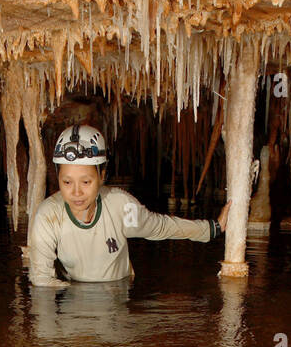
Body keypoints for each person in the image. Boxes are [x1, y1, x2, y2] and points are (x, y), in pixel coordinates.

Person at [28, 123, 231, 287]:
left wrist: (211, 228)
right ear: (57, 178)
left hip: (120, 293)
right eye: (67, 182)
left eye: (86, 182)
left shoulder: (120, 206)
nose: (76, 192)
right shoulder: (48, 215)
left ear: (102, 176)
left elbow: (160, 226)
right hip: (74, 297)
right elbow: (42, 280)